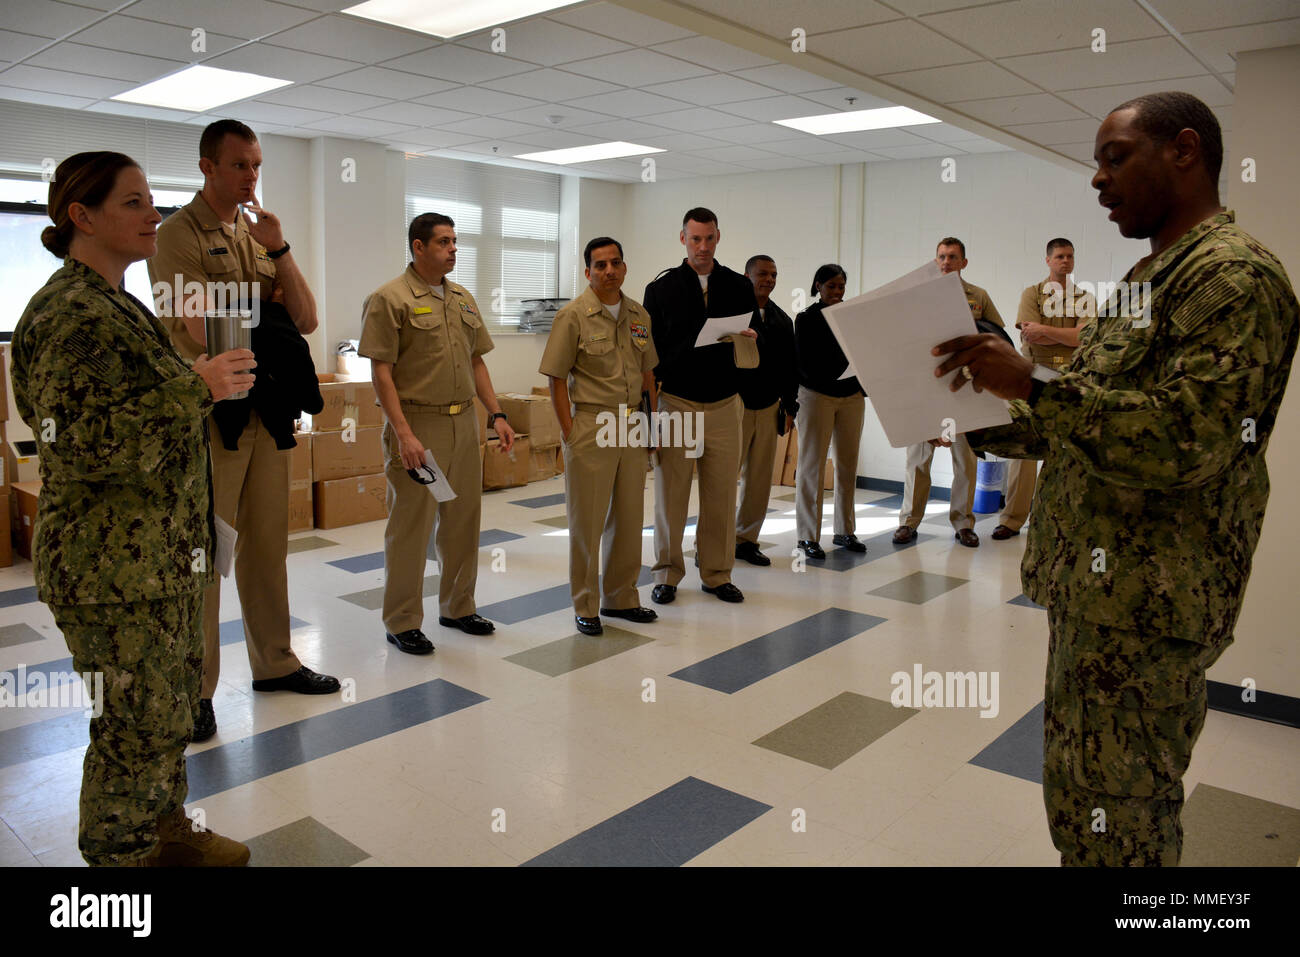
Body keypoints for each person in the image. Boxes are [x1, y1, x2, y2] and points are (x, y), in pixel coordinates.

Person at [934, 91, 1298, 865]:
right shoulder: (1146, 279)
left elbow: (1189, 439)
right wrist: (959, 412)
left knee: (1123, 824)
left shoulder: (1232, 277)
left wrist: (1032, 381)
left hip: (1149, 604)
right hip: (1096, 596)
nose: (1098, 180)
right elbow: (1078, 420)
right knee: (1082, 803)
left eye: (1115, 158)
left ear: (1184, 151)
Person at [11, 152, 254, 865]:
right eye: (133, 202)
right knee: (133, 721)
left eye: (152, 200)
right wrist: (197, 388)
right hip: (109, 568)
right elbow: (81, 446)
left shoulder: (117, 303)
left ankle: (163, 828)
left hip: (154, 557)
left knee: (167, 708)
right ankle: (120, 858)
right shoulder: (71, 315)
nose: (154, 214)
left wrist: (194, 381)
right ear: (81, 217)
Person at [148, 119, 338, 743]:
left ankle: (275, 663)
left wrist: (280, 251)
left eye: (256, 165)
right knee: (208, 551)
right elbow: (201, 329)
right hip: (212, 414)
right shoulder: (177, 234)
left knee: (266, 546)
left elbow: (305, 319)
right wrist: (266, 313)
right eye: (239, 165)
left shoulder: (256, 237)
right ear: (207, 166)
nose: (251, 176)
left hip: (267, 409)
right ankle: (196, 690)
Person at [359, 212, 516, 653]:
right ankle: (402, 620)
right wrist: (403, 434)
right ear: (418, 246)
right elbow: (381, 373)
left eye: (454, 241)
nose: (453, 249)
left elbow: (476, 361)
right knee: (411, 526)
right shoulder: (389, 299)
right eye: (444, 242)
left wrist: (497, 414)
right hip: (418, 424)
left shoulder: (462, 298)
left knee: (463, 521)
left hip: (464, 421)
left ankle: (458, 606)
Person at [540, 237, 659, 635]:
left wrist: (651, 424)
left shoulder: (639, 314)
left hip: (632, 424)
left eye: (615, 263)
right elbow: (556, 378)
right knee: (587, 521)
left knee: (629, 518)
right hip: (592, 424)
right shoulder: (572, 316)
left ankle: (621, 598)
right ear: (588, 271)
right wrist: (570, 432)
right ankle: (586, 604)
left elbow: (648, 374)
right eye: (601, 265)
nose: (609, 271)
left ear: (624, 267)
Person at [643, 207, 757, 604]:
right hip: (677, 402)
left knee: (721, 494)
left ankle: (716, 573)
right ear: (683, 239)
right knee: (670, 495)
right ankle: (667, 574)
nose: (703, 246)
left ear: (718, 237)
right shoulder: (661, 289)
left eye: (709, 238)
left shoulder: (739, 286)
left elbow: (753, 336)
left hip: (725, 403)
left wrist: (749, 338)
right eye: (695, 239)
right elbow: (648, 354)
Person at [894, 238, 1004, 548]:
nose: (946, 262)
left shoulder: (978, 296)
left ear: (963, 262)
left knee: (965, 459)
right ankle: (908, 522)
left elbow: (996, 334)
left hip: (964, 384)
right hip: (927, 385)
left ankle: (963, 523)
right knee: (918, 459)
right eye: (941, 256)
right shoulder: (919, 295)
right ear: (935, 260)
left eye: (953, 257)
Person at [992, 238, 1094, 541]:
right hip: (1034, 375)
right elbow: (1030, 335)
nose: (1066, 261)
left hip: (1071, 377)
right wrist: (1066, 335)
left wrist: (1047, 332)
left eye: (1070, 256)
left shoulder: (1085, 297)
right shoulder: (1032, 294)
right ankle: (1012, 520)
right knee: (1024, 447)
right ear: (1048, 260)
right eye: (1060, 256)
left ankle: (1062, 520)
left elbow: (1084, 338)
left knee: (1068, 448)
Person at [792, 264, 866, 559]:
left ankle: (845, 530)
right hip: (816, 395)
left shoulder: (853, 315)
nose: (837, 291)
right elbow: (804, 361)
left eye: (841, 286)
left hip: (851, 396)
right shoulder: (806, 318)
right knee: (812, 465)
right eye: (831, 286)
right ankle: (807, 536)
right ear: (818, 286)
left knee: (847, 464)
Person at [735, 254, 798, 566]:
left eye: (773, 275)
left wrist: (789, 406)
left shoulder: (782, 320)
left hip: (769, 405)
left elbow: (789, 368)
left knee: (759, 481)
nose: (769, 280)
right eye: (762, 274)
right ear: (747, 276)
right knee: (720, 481)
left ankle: (745, 541)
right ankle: (710, 542)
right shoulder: (733, 315)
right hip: (735, 405)